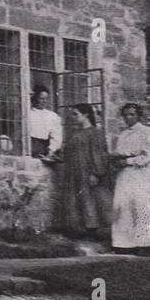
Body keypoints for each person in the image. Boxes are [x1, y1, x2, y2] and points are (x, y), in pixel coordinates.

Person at [57, 104, 111, 240]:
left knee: (89, 199)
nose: (73, 117)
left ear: (86, 115)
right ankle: (76, 228)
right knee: (74, 199)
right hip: (73, 171)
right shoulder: (75, 133)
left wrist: (96, 173)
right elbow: (68, 152)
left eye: (76, 114)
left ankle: (92, 229)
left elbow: (99, 154)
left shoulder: (95, 132)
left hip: (87, 171)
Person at [110, 102, 150, 252]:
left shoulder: (146, 132)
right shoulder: (123, 135)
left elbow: (147, 156)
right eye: (126, 115)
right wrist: (118, 161)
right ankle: (124, 244)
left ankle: (145, 244)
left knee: (141, 207)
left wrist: (127, 160)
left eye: (132, 114)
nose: (128, 118)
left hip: (141, 175)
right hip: (124, 176)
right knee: (123, 207)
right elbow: (119, 153)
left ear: (139, 115)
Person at [28, 87, 63, 159]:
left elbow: (56, 135)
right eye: (41, 98)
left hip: (45, 148)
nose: (44, 101)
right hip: (29, 147)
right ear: (35, 99)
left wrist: (51, 150)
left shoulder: (52, 116)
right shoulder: (27, 114)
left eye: (46, 99)